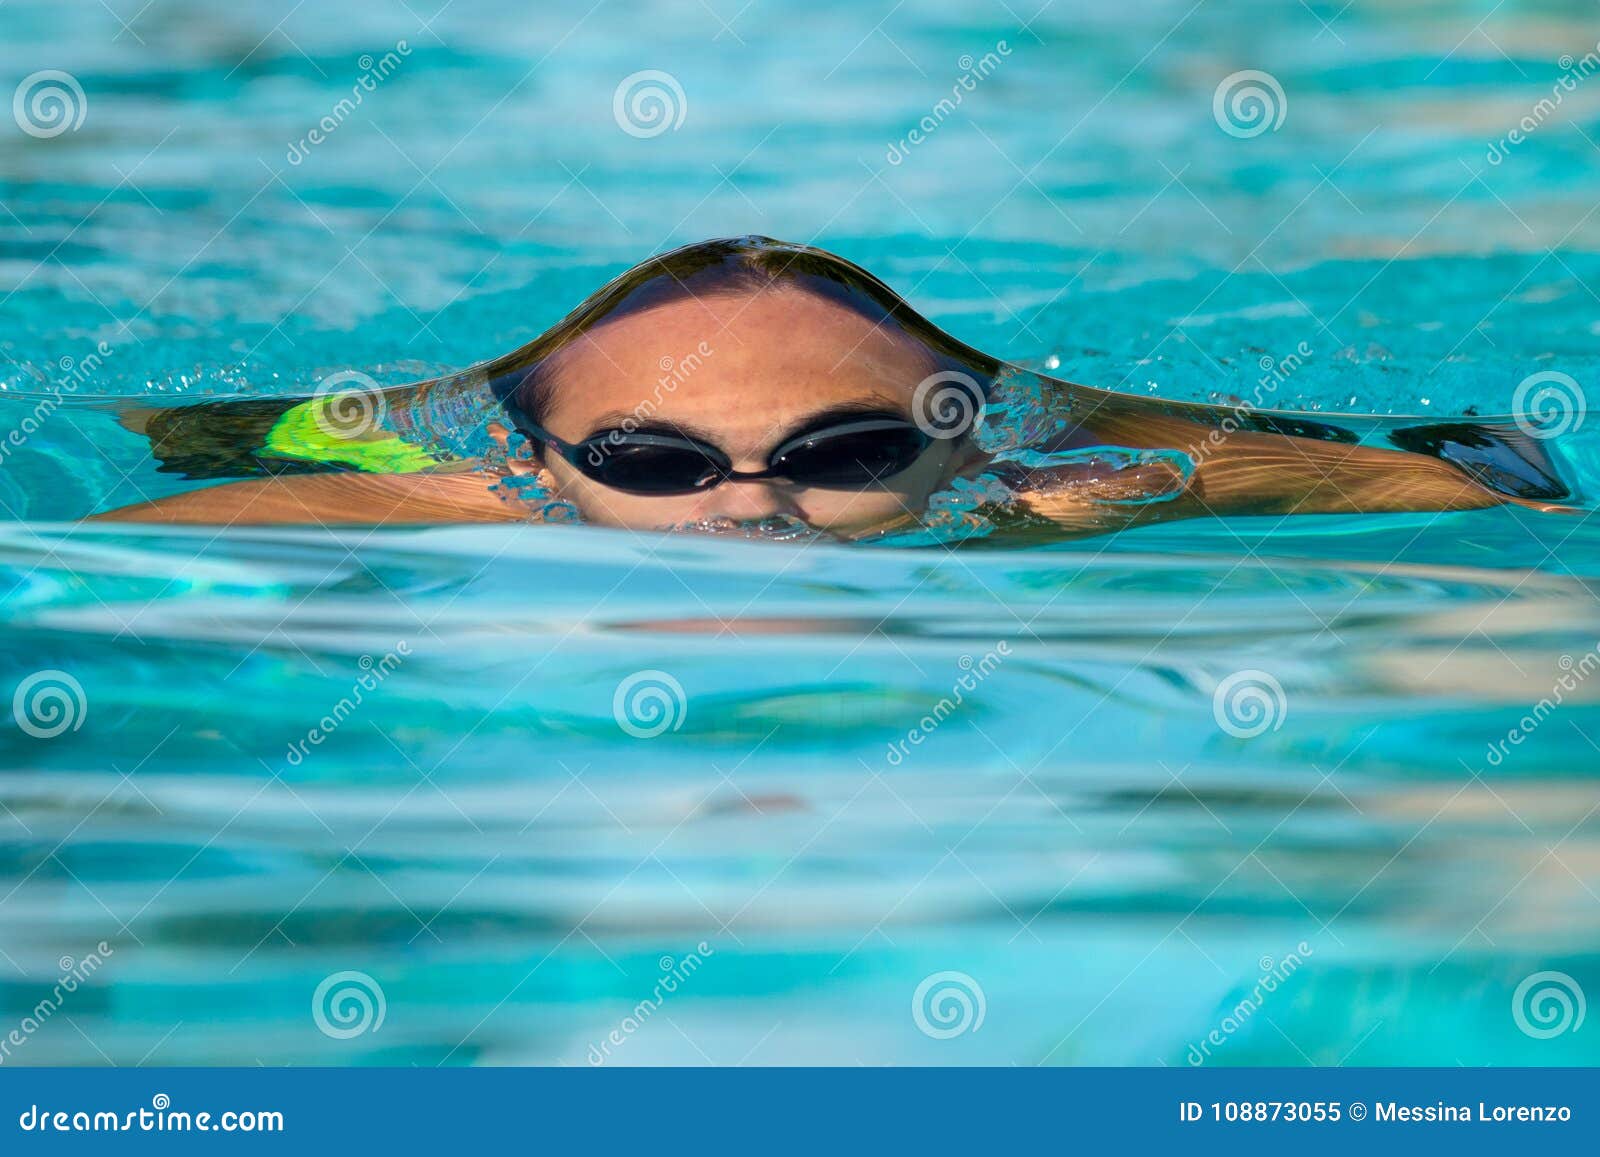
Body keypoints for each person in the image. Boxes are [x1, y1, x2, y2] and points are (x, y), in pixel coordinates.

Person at [97, 236, 1572, 537]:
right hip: (462, 409)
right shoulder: (492, 486)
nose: (756, 517)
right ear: (538, 465)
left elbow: (1472, 473)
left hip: (1037, 407)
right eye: (656, 466)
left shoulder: (1038, 495)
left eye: (848, 454)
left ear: (958, 456)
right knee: (230, 430)